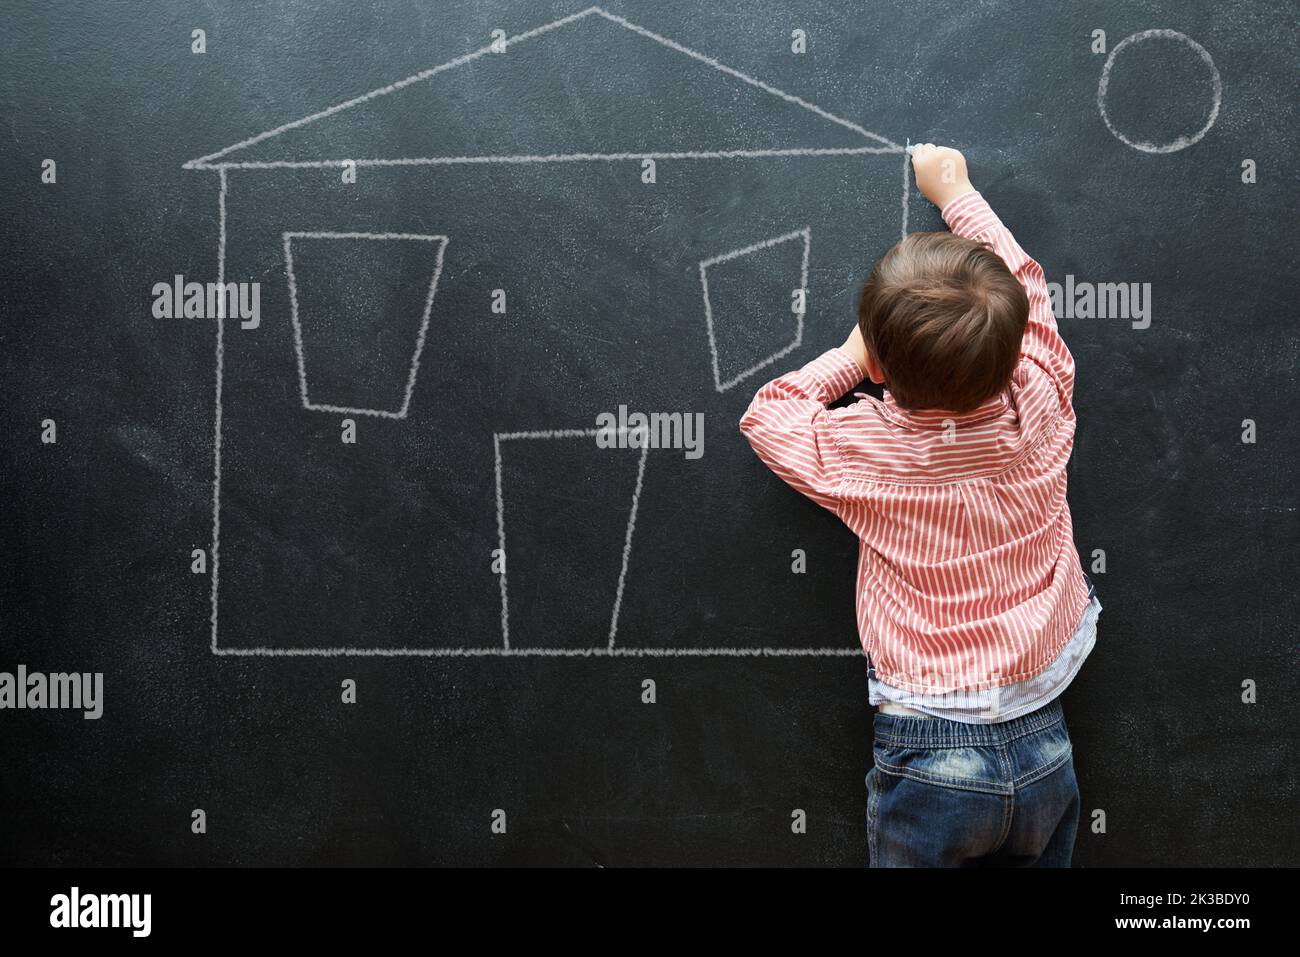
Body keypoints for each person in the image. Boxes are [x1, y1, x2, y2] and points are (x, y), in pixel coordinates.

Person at [739, 144, 1100, 866]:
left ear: (883, 372)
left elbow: (768, 415)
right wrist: (958, 193)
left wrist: (850, 358)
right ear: (1012, 352)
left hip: (930, 751)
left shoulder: (870, 447)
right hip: (1045, 736)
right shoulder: (1043, 397)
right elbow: (1028, 293)